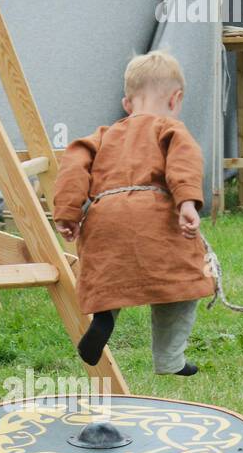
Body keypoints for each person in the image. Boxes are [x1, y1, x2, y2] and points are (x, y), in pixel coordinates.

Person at [52, 50, 214, 376]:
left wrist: (68, 213)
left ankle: (103, 319)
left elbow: (73, 163)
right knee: (179, 285)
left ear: (127, 104)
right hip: (154, 215)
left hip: (103, 218)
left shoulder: (101, 136)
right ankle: (170, 359)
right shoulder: (171, 129)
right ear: (176, 98)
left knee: (109, 275)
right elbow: (184, 162)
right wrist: (185, 203)